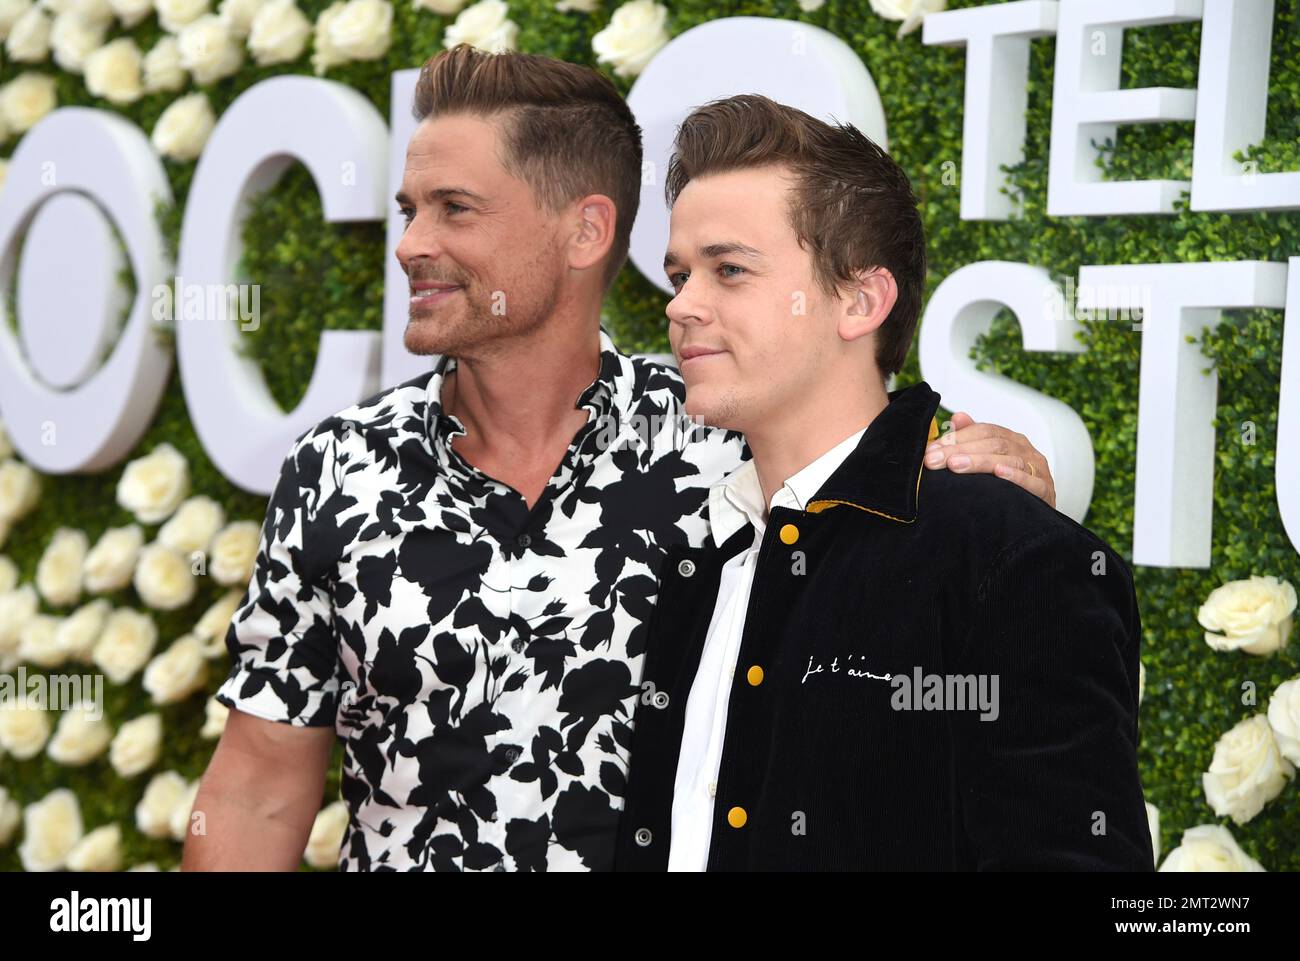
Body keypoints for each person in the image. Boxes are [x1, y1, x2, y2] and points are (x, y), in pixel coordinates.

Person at [183, 46, 1059, 872]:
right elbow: (258, 791)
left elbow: (883, 511)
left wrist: (994, 487)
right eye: (410, 210)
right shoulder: (338, 469)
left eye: (455, 207)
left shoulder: (725, 431)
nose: (410, 243)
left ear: (584, 230)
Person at [613, 94, 1153, 871]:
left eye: (729, 270)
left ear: (860, 300)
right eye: (680, 274)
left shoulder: (1009, 557)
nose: (683, 305)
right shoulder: (704, 556)